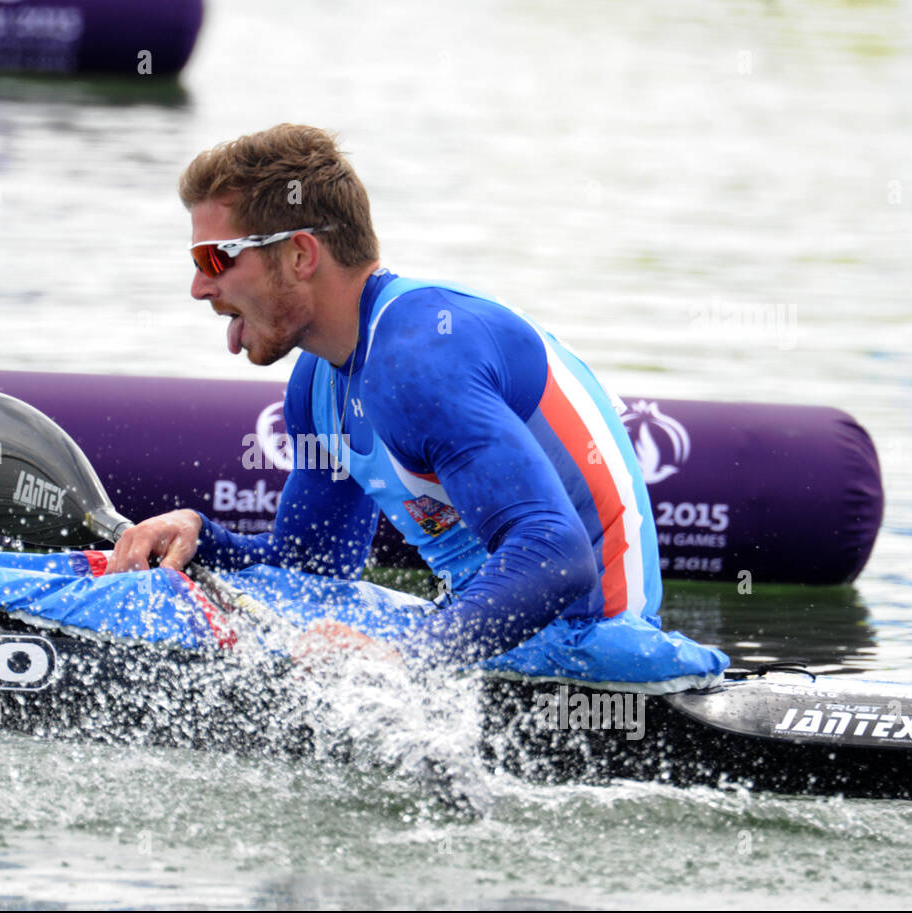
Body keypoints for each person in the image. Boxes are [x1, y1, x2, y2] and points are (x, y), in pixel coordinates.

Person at [109, 123, 717, 677]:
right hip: (481, 640)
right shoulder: (317, 383)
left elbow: (557, 557)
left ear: (299, 254)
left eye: (214, 257)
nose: (197, 287)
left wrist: (404, 656)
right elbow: (310, 570)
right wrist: (198, 536)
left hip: (592, 644)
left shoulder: (422, 355)